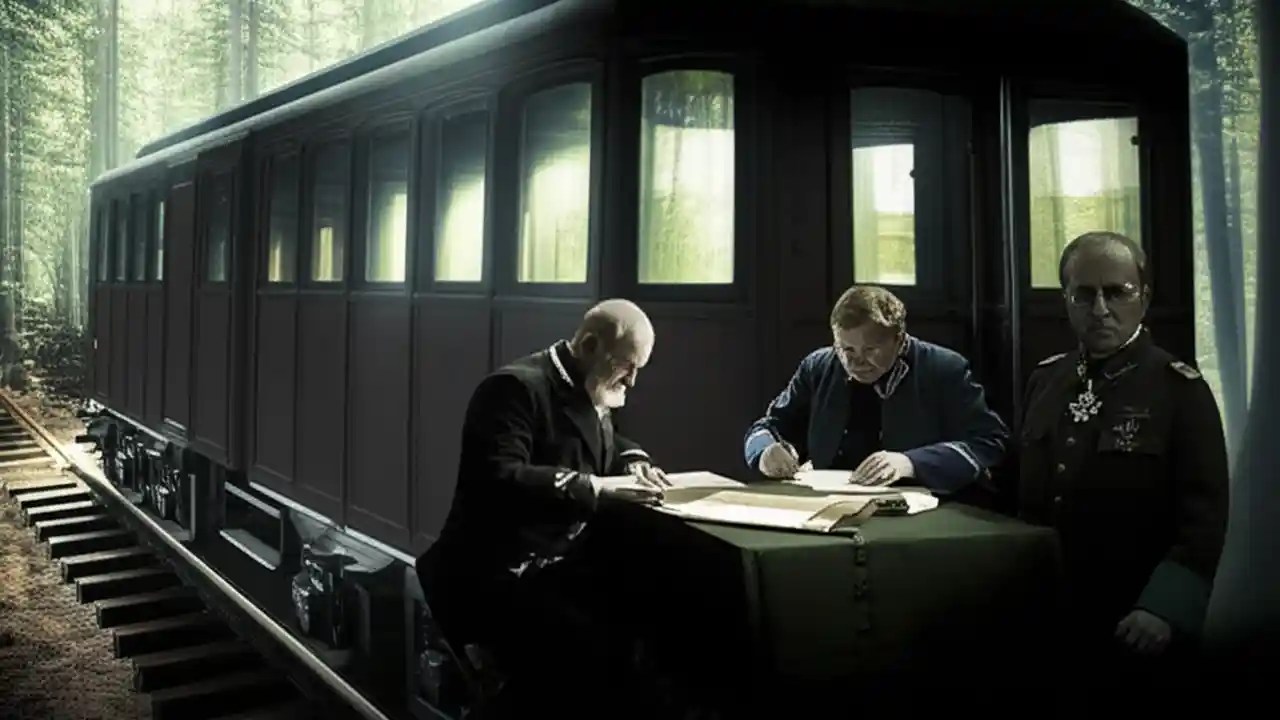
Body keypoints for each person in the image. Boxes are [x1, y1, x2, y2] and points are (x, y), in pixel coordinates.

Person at [415, 298, 672, 719]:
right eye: (628, 366)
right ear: (590, 345)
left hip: (546, 572)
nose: (633, 380)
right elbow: (500, 476)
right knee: (579, 668)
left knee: (641, 642)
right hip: (486, 577)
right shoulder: (513, 388)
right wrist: (596, 488)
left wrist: (633, 461)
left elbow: (598, 443)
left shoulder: (590, 384)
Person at [1017, 231, 1229, 699]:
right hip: (1052, 611)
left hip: (1136, 619)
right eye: (1084, 294)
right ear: (1066, 300)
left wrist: (1165, 607)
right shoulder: (1046, 380)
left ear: (1144, 296)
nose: (1099, 309)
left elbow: (1206, 515)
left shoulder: (1179, 389)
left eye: (1116, 292)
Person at [744, 285, 1008, 493]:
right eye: (846, 349)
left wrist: (911, 463)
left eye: (870, 350)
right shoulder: (818, 366)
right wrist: (766, 452)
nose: (856, 361)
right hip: (830, 506)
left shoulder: (945, 369)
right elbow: (766, 427)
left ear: (899, 339)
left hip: (921, 513)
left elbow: (990, 444)